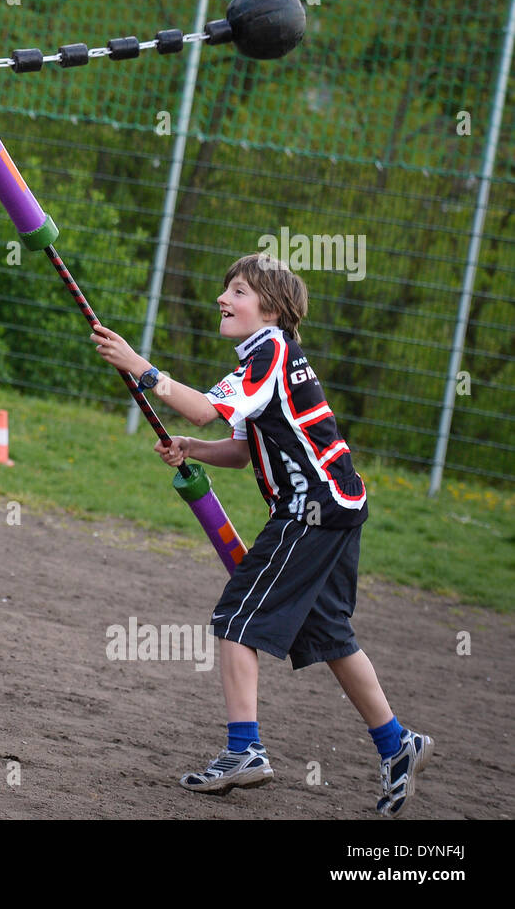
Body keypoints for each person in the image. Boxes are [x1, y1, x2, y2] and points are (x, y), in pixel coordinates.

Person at [91, 253, 432, 816]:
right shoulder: (270, 354)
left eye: (239, 291)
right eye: (226, 289)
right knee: (329, 635)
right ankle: (398, 744)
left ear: (271, 309)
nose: (223, 298)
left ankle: (244, 751)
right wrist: (193, 450)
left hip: (310, 510)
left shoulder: (269, 351)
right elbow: (246, 447)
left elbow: (202, 410)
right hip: (338, 505)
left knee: (236, 619)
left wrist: (140, 367)